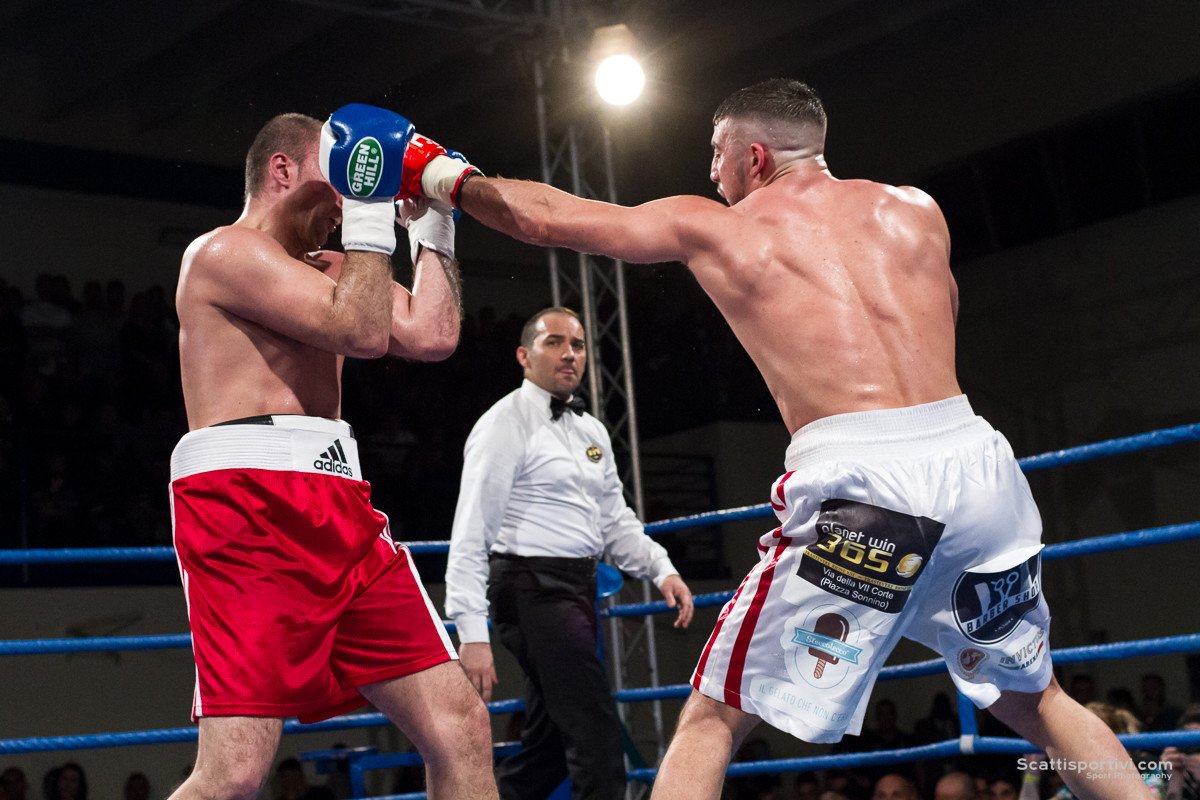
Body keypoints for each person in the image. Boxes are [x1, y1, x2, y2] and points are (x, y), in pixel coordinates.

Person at [385, 77, 1157, 800]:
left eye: (717, 153)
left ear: (754, 156)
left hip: (866, 487)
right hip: (980, 468)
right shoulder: (917, 208)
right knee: (1039, 700)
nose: (711, 170)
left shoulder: (718, 226)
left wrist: (438, 173)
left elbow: (544, 218)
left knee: (712, 719)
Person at [168, 106, 496, 800]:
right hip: (247, 508)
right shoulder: (222, 252)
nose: (347, 199)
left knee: (460, 724)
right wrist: (374, 207)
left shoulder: (338, 264)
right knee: (234, 772)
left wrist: (431, 224)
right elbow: (358, 329)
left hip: (340, 505)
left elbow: (433, 335)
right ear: (283, 169)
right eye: (338, 171)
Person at [443, 306, 695, 800]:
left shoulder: (592, 431)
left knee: (551, 745)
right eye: (554, 342)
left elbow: (613, 520)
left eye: (577, 345)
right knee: (595, 731)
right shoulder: (503, 425)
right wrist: (471, 631)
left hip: (576, 589)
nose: (568, 354)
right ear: (524, 355)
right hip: (530, 587)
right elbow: (472, 528)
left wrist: (660, 568)